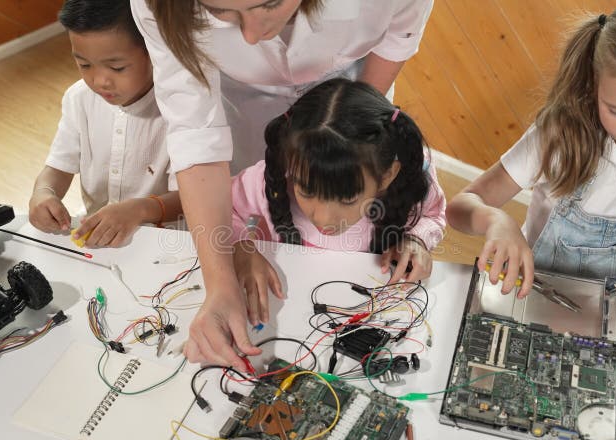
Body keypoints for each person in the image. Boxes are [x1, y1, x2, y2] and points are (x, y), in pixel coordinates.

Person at [130, 0, 434, 371]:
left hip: (353, 124)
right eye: (221, 14)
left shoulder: (391, 177)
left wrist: (343, 148)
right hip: (256, 120)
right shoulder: (260, 183)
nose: (253, 36)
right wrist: (221, 282)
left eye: (270, 4)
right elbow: (197, 137)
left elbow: (394, 44)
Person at [446, 0, 616, 402]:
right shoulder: (560, 133)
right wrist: (497, 222)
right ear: (595, 81)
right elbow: (461, 205)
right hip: (535, 309)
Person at [229, 78, 446, 325]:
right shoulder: (270, 181)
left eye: (347, 198)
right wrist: (242, 246)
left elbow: (433, 215)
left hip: (367, 320)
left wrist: (417, 238)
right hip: (284, 317)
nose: (324, 218)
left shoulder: (410, 185)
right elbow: (226, 207)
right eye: (307, 191)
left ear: (387, 176)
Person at [29, 0, 181, 248]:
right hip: (98, 238)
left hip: (163, 241)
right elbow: (58, 167)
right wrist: (44, 193)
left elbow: (195, 198)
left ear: (154, 50)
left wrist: (140, 210)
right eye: (84, 65)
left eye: (117, 68)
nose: (99, 81)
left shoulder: (179, 109)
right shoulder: (79, 98)